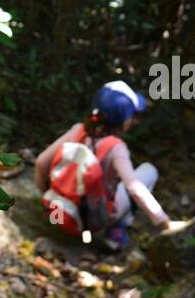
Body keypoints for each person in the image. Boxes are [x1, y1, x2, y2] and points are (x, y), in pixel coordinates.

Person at [34, 79, 173, 251]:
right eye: (132, 116)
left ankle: (56, 210)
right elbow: (134, 188)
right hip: (92, 222)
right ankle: (114, 232)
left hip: (58, 212)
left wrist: (45, 193)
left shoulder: (77, 130)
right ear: (124, 121)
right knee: (148, 171)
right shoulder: (115, 148)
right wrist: (162, 220)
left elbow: (41, 162)